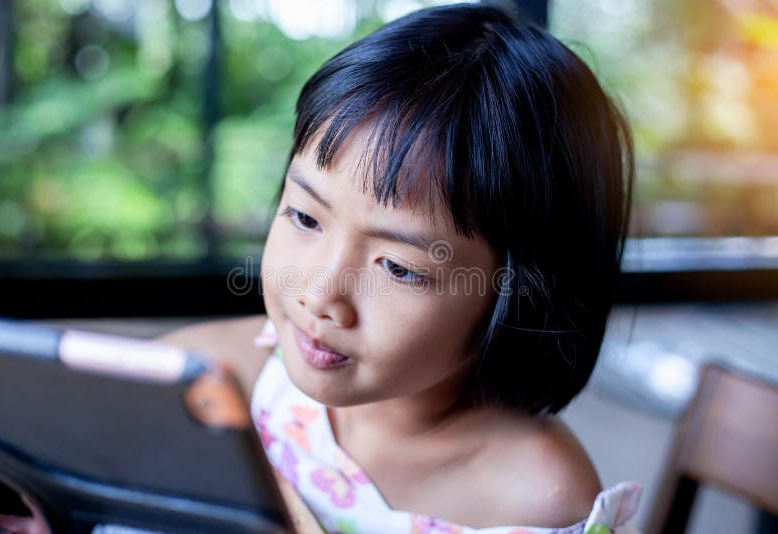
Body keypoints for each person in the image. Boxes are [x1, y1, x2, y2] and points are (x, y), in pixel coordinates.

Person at [162, 3, 642, 532]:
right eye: (304, 216)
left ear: (521, 292)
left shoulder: (537, 500)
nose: (320, 295)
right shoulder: (245, 378)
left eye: (398, 267)